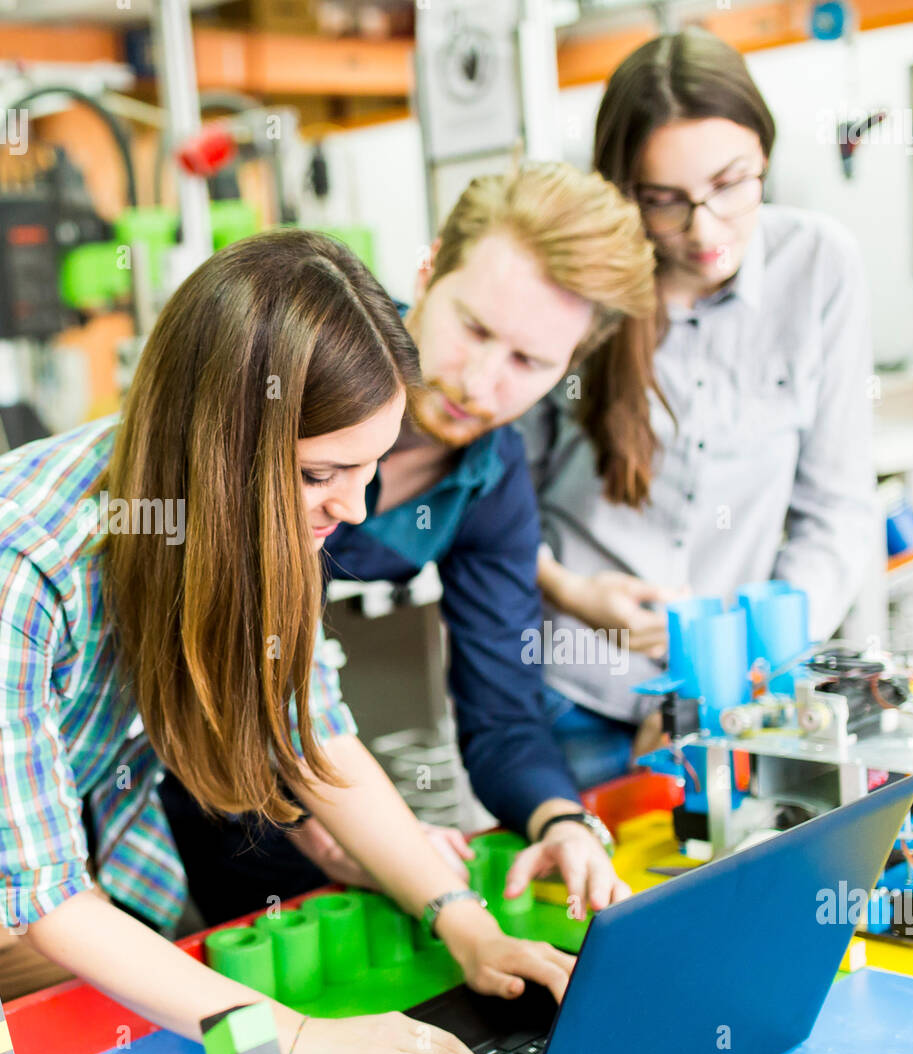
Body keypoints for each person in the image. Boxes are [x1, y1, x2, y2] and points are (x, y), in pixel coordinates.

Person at [0, 230, 574, 1054]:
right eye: (321, 473)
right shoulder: (24, 565)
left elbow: (312, 736)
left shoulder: (252, 516)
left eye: (371, 465)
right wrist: (297, 1036)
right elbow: (48, 900)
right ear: (216, 448)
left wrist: (461, 919)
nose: (353, 505)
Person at [159, 163, 658, 926]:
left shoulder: (489, 480)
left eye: (530, 362)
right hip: (153, 743)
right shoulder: (292, 364)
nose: (481, 382)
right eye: (475, 328)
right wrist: (320, 816)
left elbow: (503, 715)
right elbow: (208, 669)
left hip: (290, 746)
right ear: (427, 271)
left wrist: (560, 821)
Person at [520, 29, 879, 788]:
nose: (705, 229)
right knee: (577, 900)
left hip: (737, 694)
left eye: (731, 184)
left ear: (765, 154)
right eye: (666, 202)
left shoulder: (818, 267)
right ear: (624, 191)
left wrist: (744, 664)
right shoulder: (573, 284)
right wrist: (574, 595)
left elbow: (837, 511)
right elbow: (495, 502)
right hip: (571, 688)